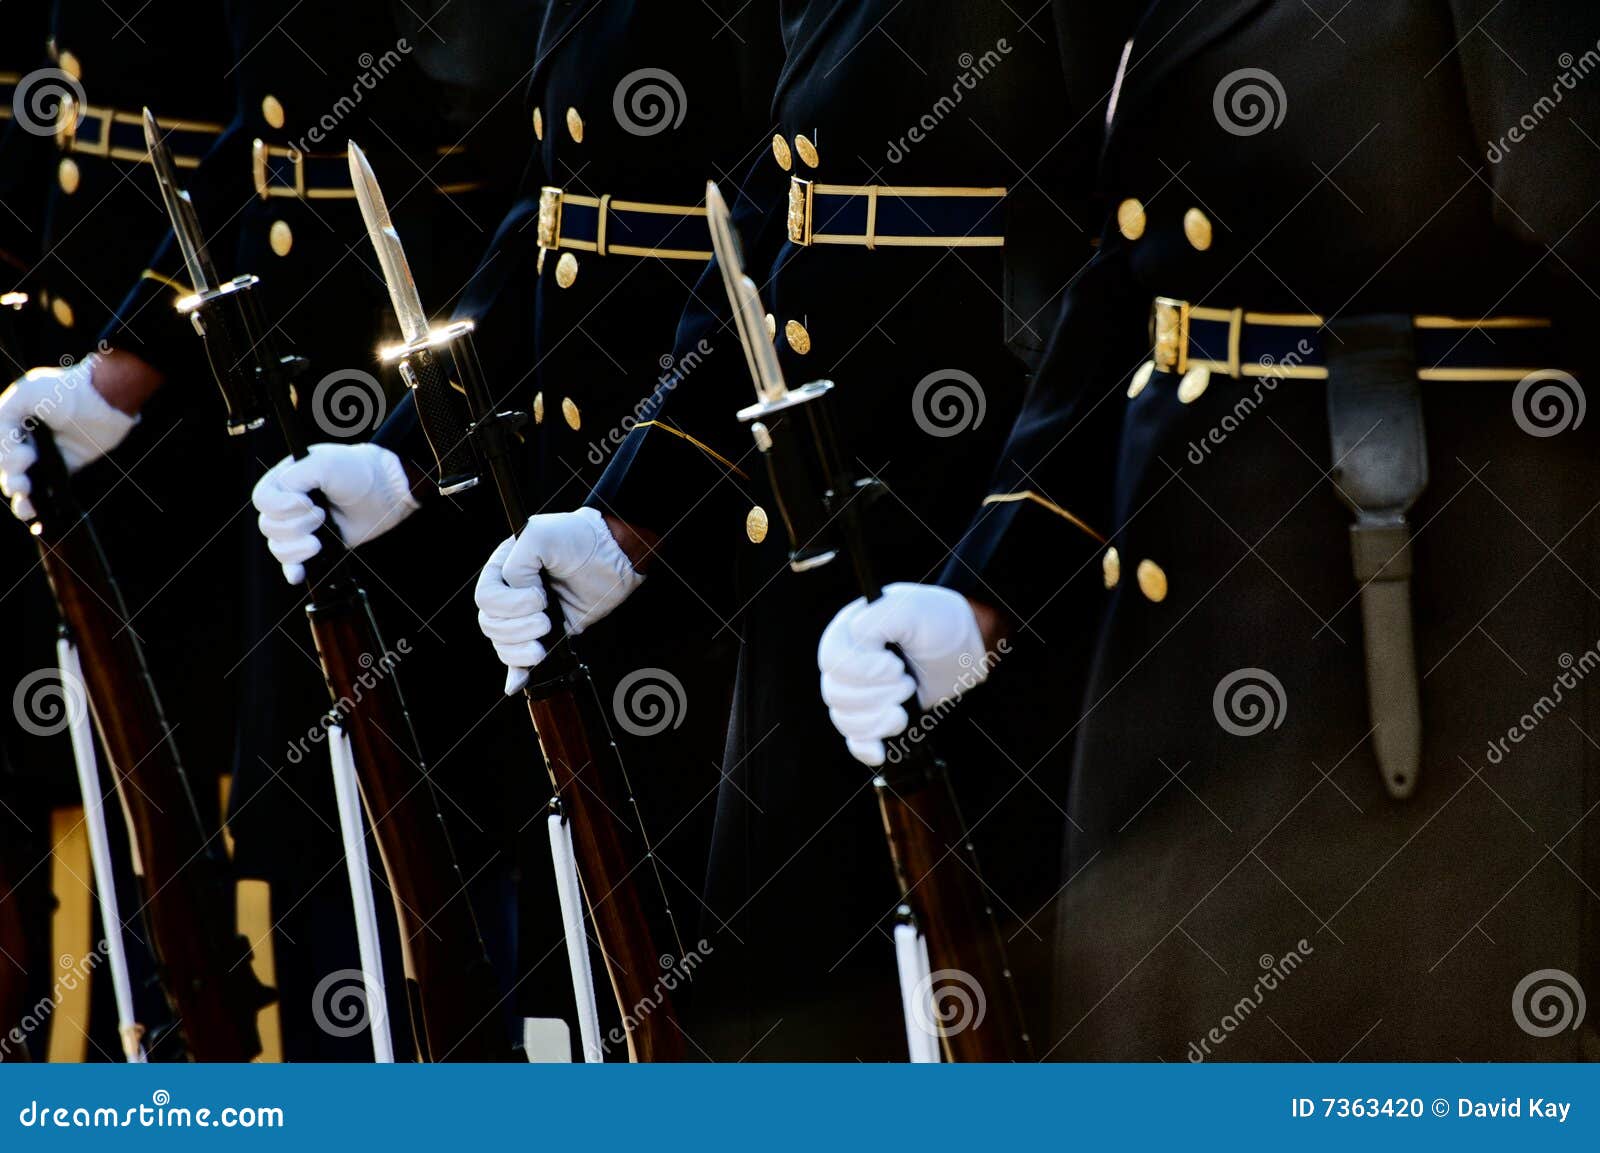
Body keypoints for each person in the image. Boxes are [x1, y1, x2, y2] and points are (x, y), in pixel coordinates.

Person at [824, 0, 1600, 1060]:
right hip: (1186, 634)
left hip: (1409, 626)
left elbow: (1579, 202)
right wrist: (984, 585)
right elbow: (1130, 281)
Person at [466, 0, 1134, 1058]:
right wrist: (630, 510)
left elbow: (1120, 245)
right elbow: (770, 217)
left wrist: (999, 577)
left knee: (993, 994)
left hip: (980, 494)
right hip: (818, 511)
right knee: (785, 993)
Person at [247, 0, 786, 1058]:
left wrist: (642, 503)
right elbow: (548, 222)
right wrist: (407, 448)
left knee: (688, 969)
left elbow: (769, 240)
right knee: (577, 976)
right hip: (570, 506)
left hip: (695, 528)